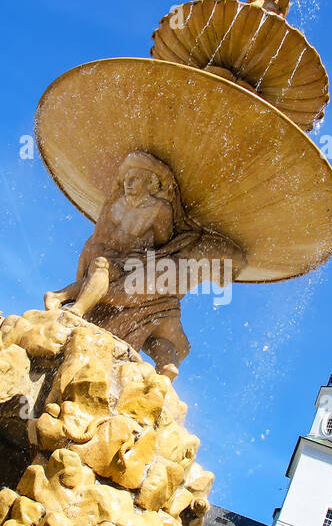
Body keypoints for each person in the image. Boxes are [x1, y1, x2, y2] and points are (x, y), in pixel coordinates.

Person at [45, 151, 244, 377]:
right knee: (105, 270)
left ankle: (164, 366)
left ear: (150, 183)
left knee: (160, 311)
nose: (128, 184)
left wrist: (145, 259)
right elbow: (99, 239)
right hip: (105, 255)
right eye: (127, 178)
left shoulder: (161, 210)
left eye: (135, 179)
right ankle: (71, 306)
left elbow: (160, 244)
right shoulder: (114, 204)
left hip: (135, 264)